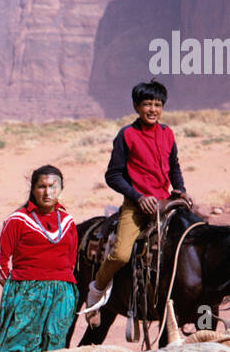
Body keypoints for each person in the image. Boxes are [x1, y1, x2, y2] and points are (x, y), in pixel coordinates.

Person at [80, 79, 191, 325]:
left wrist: (180, 189)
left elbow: (173, 166)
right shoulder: (127, 135)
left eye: (158, 104)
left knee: (193, 240)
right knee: (120, 254)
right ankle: (96, 291)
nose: (153, 109)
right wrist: (138, 197)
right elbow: (113, 175)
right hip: (136, 205)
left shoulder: (167, 133)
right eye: (147, 104)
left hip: (166, 204)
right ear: (136, 106)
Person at [0, 165, 78, 352]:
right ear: (33, 189)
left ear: (61, 189)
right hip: (26, 293)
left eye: (53, 187)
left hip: (62, 295)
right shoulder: (18, 220)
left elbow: (71, 262)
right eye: (42, 186)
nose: (48, 192)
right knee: (14, 351)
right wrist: (16, 289)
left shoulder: (68, 221)